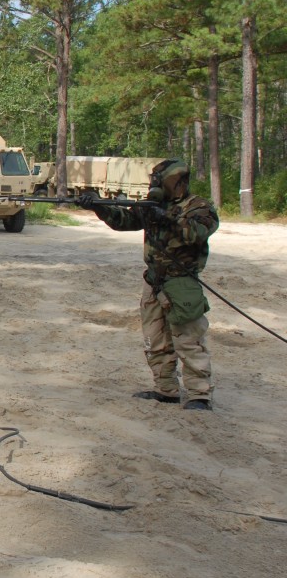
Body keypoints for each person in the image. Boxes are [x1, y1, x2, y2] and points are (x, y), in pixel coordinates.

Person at [84, 159, 220, 410]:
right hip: (154, 281)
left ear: (177, 183)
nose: (155, 186)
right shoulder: (153, 206)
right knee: (155, 341)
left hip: (181, 283)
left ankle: (199, 395)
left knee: (189, 341)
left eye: (160, 182)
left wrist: (166, 218)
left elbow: (196, 233)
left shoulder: (199, 207)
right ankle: (166, 389)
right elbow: (124, 221)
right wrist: (99, 207)